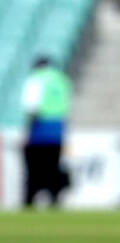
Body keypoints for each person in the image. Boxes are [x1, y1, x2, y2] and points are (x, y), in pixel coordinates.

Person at [21, 57, 72, 206]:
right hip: (57, 131)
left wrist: (28, 133)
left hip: (39, 131)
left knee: (34, 170)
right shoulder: (62, 80)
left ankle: (30, 201)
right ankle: (54, 199)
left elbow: (31, 108)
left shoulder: (36, 79)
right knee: (53, 168)